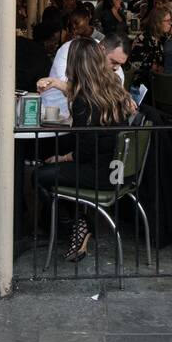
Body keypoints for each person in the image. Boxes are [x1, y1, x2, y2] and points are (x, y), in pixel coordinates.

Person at [34, 38, 137, 261]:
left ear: (75, 64)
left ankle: (77, 225)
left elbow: (86, 151)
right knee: (56, 169)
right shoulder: (113, 87)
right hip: (120, 170)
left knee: (39, 176)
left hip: (102, 173)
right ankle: (77, 223)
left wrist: (63, 158)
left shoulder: (84, 100)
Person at [39, 11, 98, 122]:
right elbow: (67, 86)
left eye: (77, 23)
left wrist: (55, 83)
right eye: (72, 24)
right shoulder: (67, 49)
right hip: (61, 109)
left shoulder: (98, 45)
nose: (75, 27)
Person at [131, 5, 172, 86]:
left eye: (170, 20)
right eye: (167, 21)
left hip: (159, 81)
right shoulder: (143, 39)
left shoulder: (164, 38)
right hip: (144, 84)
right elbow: (136, 67)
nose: (171, 23)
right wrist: (156, 68)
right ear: (157, 23)